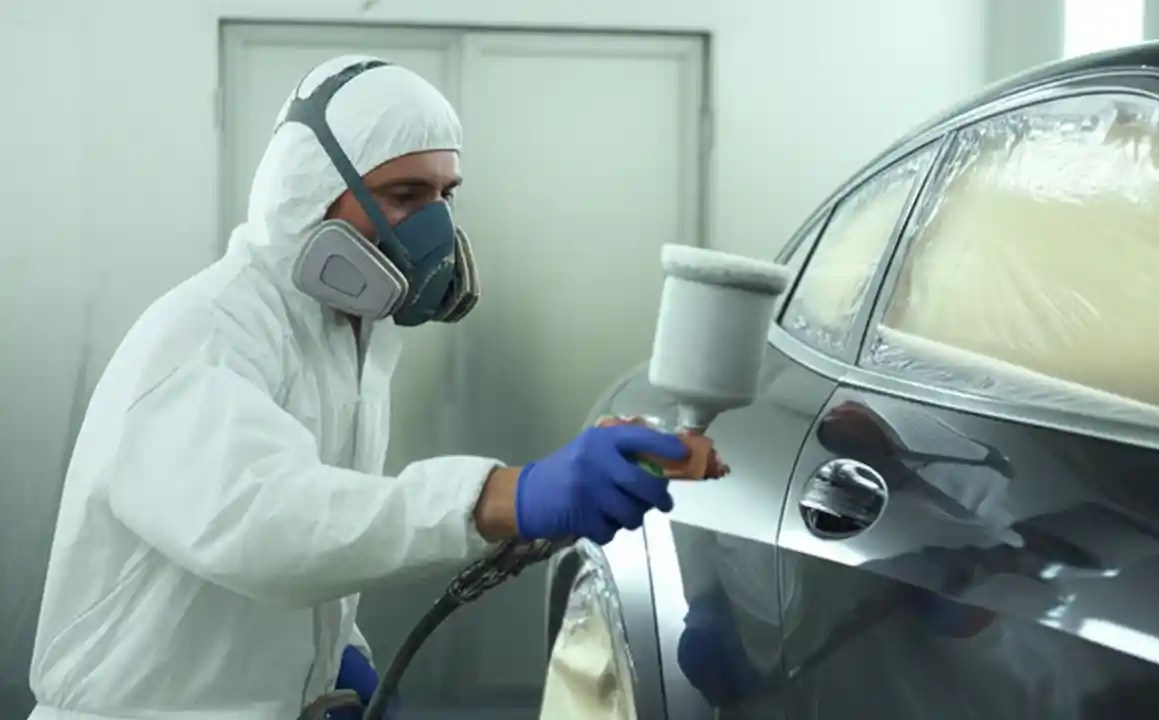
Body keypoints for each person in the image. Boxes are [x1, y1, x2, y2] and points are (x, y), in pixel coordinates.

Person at [26, 55, 687, 720]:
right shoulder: (208, 332)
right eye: (404, 196)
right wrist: (502, 495)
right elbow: (266, 523)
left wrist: (337, 652)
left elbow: (329, 528)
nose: (435, 228)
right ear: (311, 193)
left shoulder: (349, 339)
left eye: (444, 195)